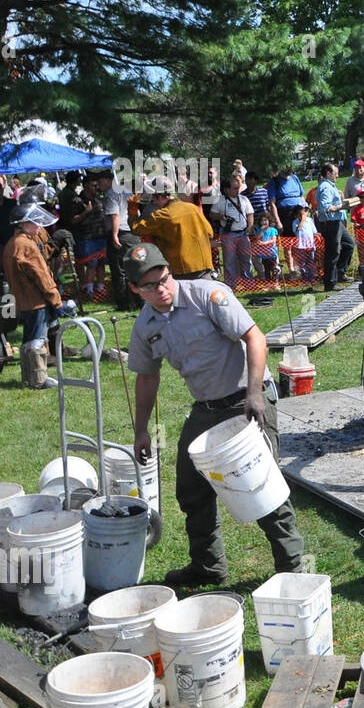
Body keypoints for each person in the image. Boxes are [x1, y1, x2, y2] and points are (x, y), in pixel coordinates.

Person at [125, 245, 305, 586]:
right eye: (149, 286)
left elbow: (254, 337)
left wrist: (254, 393)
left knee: (260, 485)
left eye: (163, 279)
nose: (160, 289)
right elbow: (147, 377)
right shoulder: (145, 325)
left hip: (246, 398)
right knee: (191, 489)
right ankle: (208, 567)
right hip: (207, 408)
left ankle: (293, 571)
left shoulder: (208, 296)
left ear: (170, 273)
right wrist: (141, 431)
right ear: (134, 289)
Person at [4, 203, 67, 390]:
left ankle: (27, 377)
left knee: (28, 340)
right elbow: (43, 277)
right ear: (25, 223)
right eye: (35, 222)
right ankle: (39, 379)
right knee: (37, 340)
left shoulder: (13, 243)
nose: (39, 225)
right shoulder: (27, 246)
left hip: (23, 300)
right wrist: (56, 300)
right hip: (35, 300)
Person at [133, 183, 215, 279]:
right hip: (204, 266)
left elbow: (137, 229)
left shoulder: (163, 214)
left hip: (182, 270)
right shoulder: (193, 208)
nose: (154, 203)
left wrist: (132, 210)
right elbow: (210, 233)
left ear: (159, 197)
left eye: (153, 200)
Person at [95, 167, 142, 309]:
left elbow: (115, 215)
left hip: (121, 233)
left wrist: (114, 235)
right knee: (136, 267)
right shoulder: (125, 190)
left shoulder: (111, 194)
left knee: (119, 270)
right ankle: (142, 301)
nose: (98, 185)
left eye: (100, 181)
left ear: (108, 181)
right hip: (132, 233)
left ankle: (123, 304)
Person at [315, 163, 355, 291]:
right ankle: (330, 283)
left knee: (349, 244)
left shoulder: (329, 186)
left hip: (337, 223)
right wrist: (342, 207)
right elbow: (324, 208)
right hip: (330, 224)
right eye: (335, 173)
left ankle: (339, 273)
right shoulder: (326, 187)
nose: (337, 175)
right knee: (333, 253)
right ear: (328, 173)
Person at [211, 175, 253, 290]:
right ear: (227, 189)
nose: (237, 190)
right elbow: (212, 214)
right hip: (228, 235)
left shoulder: (244, 199)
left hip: (243, 234)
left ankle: (248, 284)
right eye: (234, 188)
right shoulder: (220, 200)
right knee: (229, 261)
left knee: (246, 259)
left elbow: (250, 214)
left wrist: (249, 227)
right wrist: (222, 217)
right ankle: (230, 285)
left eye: (238, 188)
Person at [293, 205, 318, 284]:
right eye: (299, 215)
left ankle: (312, 277)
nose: (302, 216)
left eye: (303, 214)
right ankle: (305, 278)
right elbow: (297, 230)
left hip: (310, 245)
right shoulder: (295, 222)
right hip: (301, 246)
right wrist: (302, 221)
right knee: (302, 263)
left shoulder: (310, 220)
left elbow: (314, 232)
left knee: (311, 261)